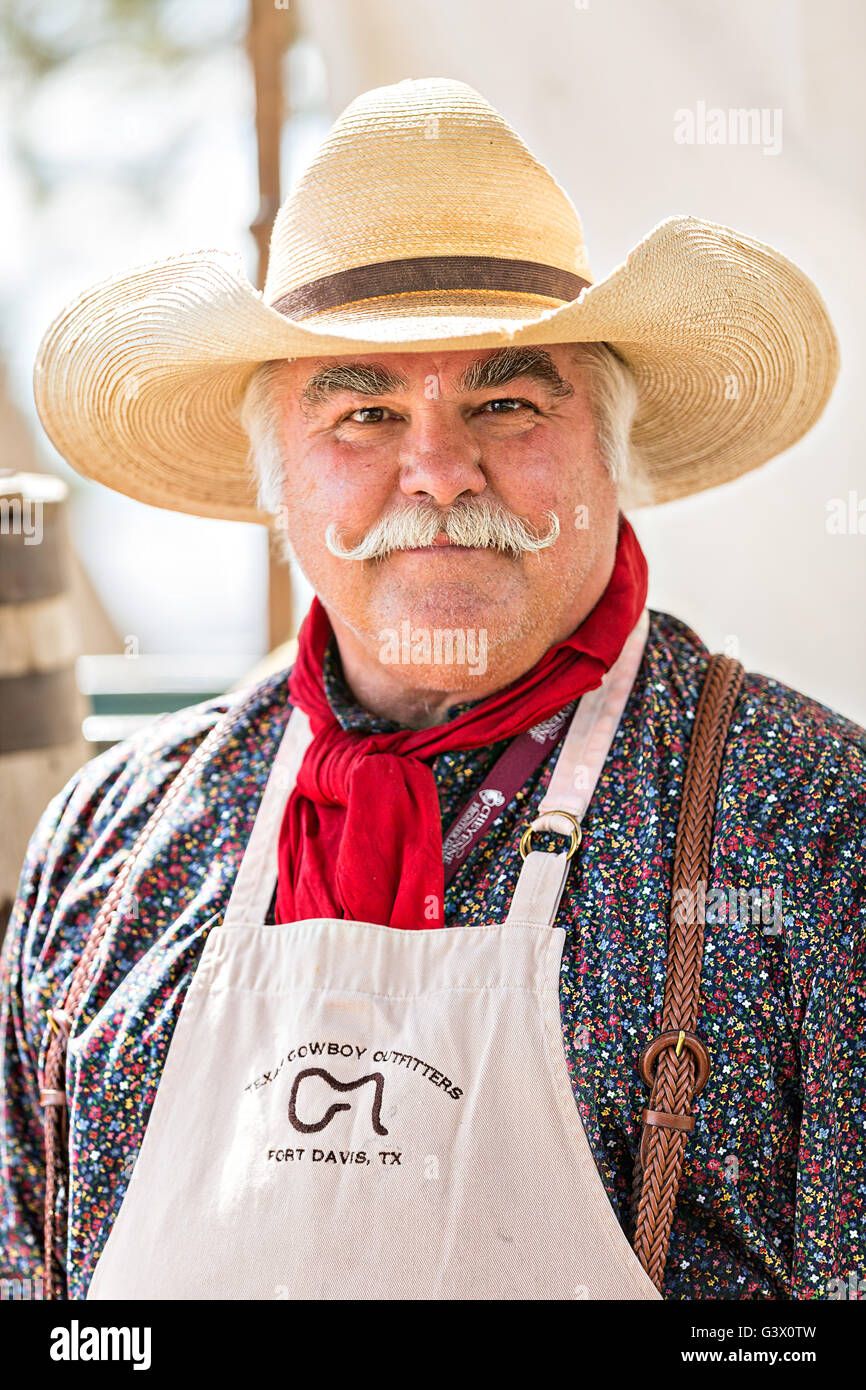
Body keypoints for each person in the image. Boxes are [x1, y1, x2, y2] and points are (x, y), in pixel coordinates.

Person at [2, 77, 862, 1302]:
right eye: (361, 410)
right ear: (277, 478)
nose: (437, 470)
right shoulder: (112, 847)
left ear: (605, 449)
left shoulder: (812, 829)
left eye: (506, 401)